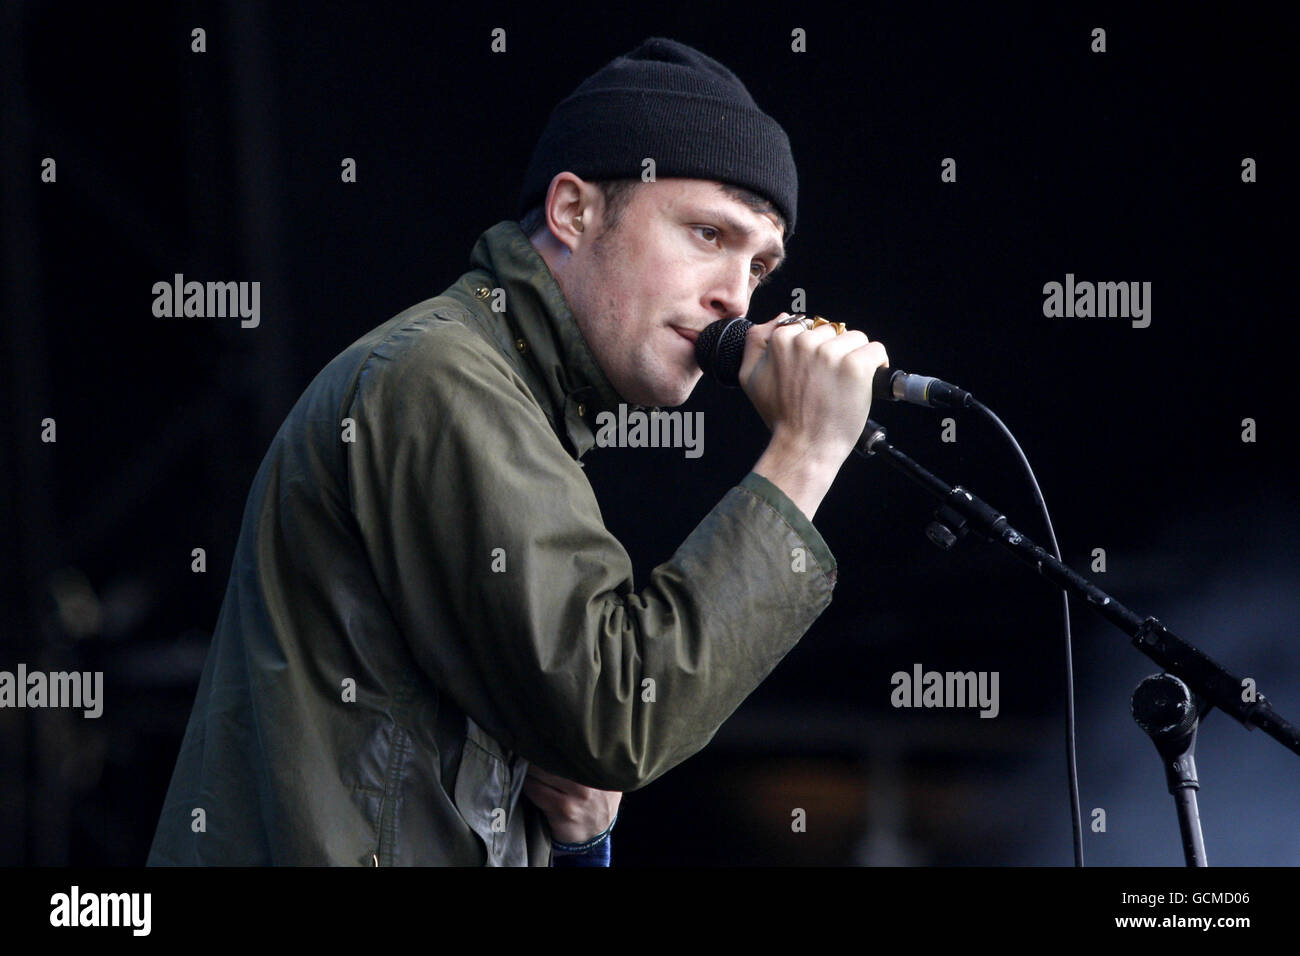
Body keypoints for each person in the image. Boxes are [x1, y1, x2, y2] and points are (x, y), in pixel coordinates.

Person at [147, 36, 887, 867]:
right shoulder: (441, 379)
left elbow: (562, 757)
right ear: (574, 211)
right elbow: (616, 712)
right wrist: (806, 453)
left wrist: (583, 842)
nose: (736, 296)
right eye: (707, 233)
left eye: (759, 264)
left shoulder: (526, 406)